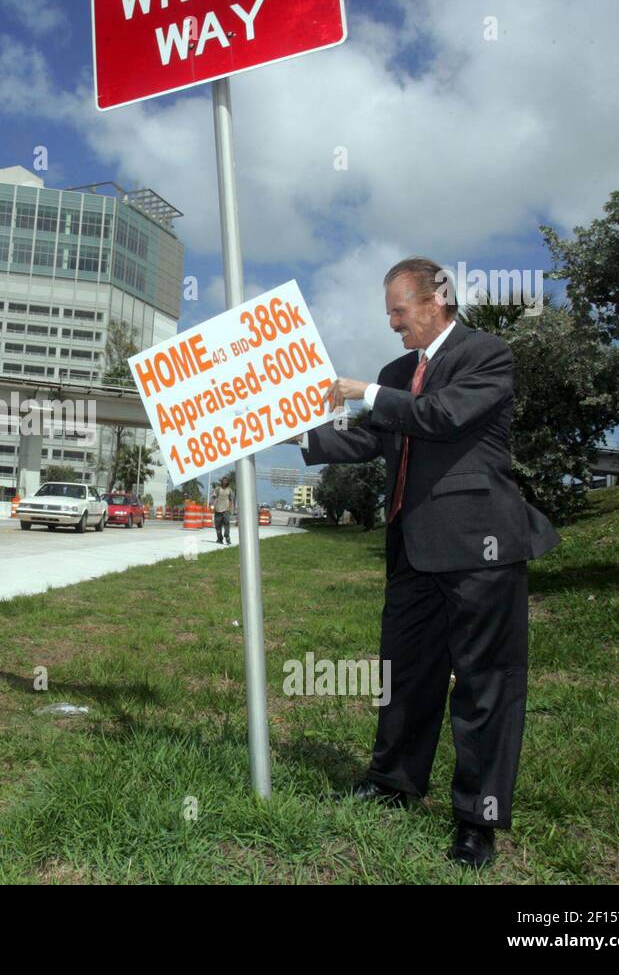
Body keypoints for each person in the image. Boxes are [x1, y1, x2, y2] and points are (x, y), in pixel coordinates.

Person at [297, 256, 559, 868]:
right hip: (413, 547)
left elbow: (441, 416)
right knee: (406, 674)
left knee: (485, 683)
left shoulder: (485, 354)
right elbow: (369, 439)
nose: (391, 323)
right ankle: (394, 783)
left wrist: (369, 394)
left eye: (399, 310)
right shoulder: (395, 371)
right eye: (388, 312)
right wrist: (280, 430)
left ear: (437, 300)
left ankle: (478, 820)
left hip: (481, 546)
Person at [211, 477, 234, 545]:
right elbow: (214, 497)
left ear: (227, 482)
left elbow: (231, 500)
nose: (224, 482)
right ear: (221, 481)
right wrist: (212, 506)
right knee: (218, 526)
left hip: (226, 510)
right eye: (223, 481)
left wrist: (230, 508)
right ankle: (219, 539)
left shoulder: (229, 490)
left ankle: (227, 538)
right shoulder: (218, 489)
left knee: (227, 524)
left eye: (226, 481)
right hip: (217, 509)